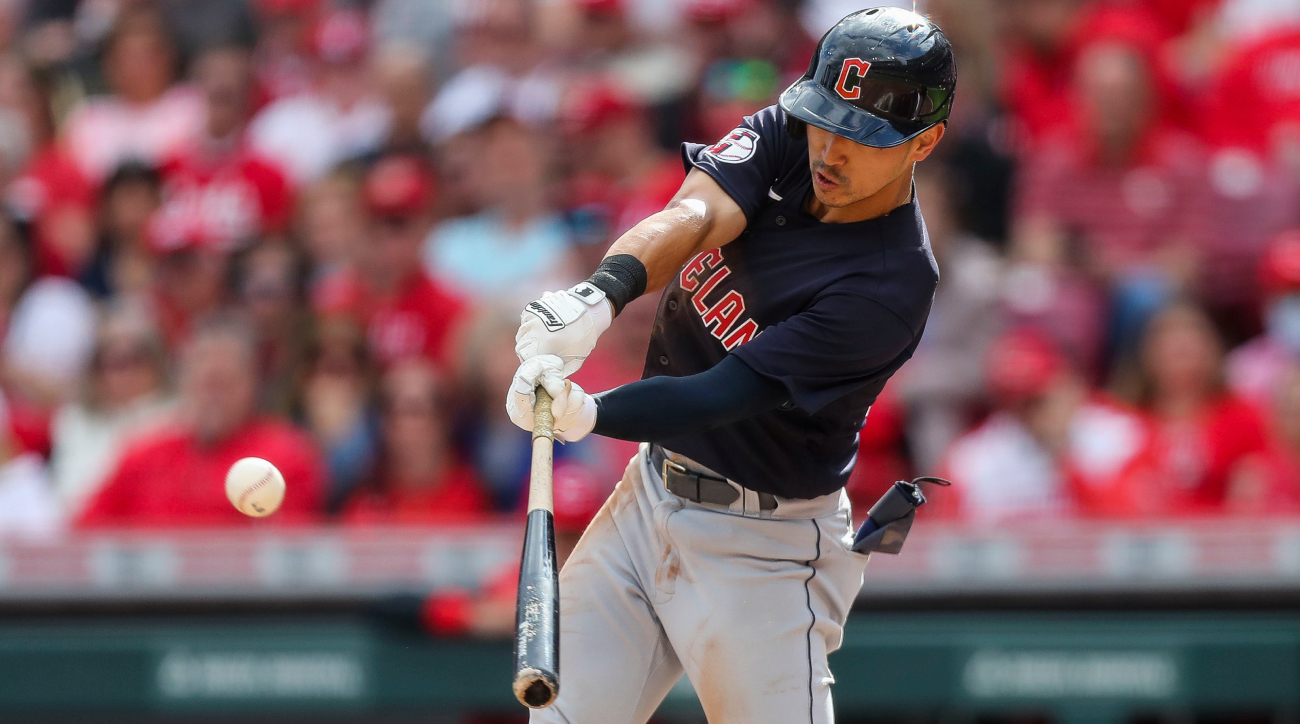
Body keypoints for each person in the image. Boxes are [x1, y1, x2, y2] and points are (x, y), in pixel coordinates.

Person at [504, 9, 952, 722]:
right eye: (825, 120)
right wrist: (599, 295)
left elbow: (724, 393)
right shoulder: (790, 134)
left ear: (924, 141)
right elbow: (696, 216)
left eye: (861, 137)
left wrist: (588, 413)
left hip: (764, 548)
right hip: (648, 497)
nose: (831, 151)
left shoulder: (891, 285)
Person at [77, 315, 323, 528]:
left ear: (252, 387)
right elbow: (80, 535)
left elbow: (287, 553)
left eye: (224, 385)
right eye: (204, 384)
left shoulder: (285, 456)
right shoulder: (143, 455)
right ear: (184, 385)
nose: (212, 398)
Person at [49, 305, 175, 516]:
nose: (121, 374)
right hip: (80, 534)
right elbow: (65, 493)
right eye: (108, 361)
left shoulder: (177, 420)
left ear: (157, 363)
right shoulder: (76, 420)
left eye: (135, 358)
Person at [340, 360, 489, 524]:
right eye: (391, 410)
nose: (402, 423)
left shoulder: (472, 501)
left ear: (443, 419)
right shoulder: (364, 502)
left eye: (414, 410)